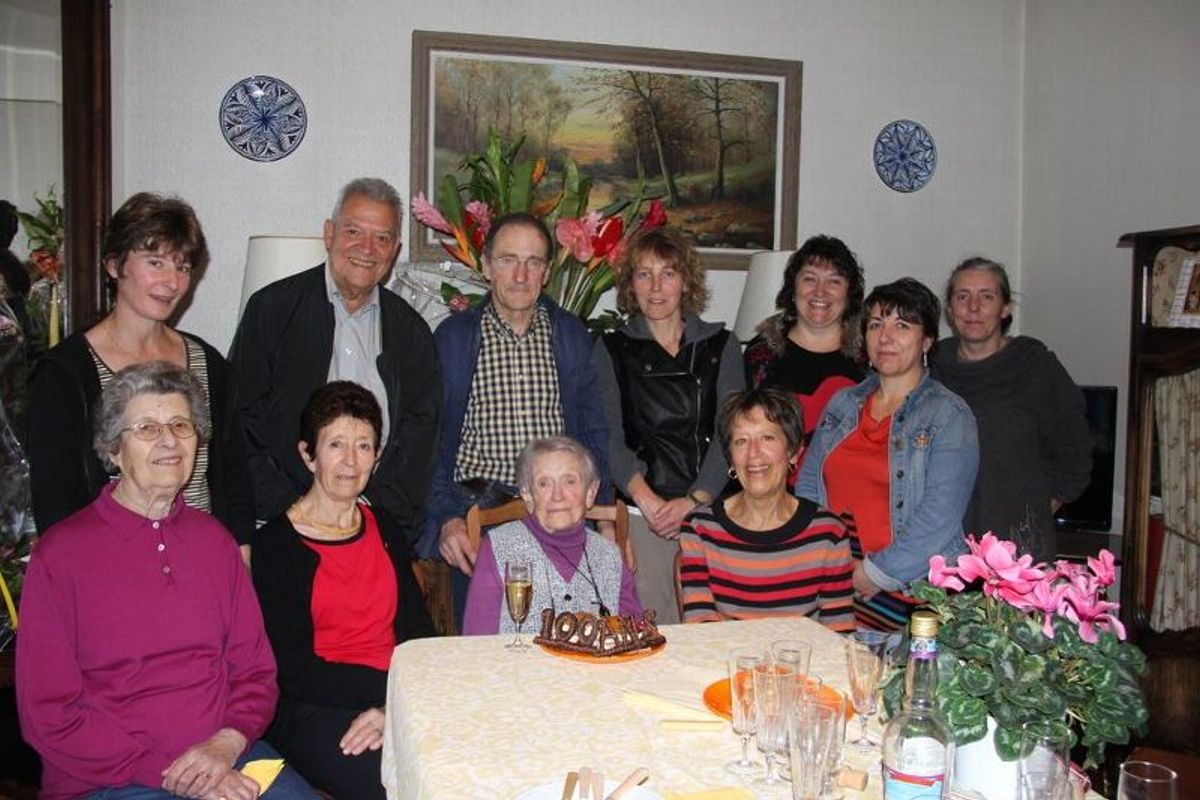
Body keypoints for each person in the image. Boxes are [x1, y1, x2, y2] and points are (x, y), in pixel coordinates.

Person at [16, 362, 317, 800]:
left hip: (228, 755)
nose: (170, 440)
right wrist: (173, 772)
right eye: (147, 428)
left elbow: (255, 672)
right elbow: (49, 714)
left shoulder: (215, 543)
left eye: (181, 424)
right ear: (114, 449)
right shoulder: (60, 556)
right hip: (114, 777)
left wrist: (228, 742)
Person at [26, 193, 254, 555]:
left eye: (182, 266)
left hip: (201, 565)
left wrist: (239, 567)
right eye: (156, 262)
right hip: (111, 574)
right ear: (114, 266)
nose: (172, 282)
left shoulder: (209, 364)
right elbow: (56, 509)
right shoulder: (65, 374)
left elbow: (234, 486)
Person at [230, 177, 440, 542]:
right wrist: (297, 509)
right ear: (329, 234)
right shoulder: (272, 311)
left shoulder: (411, 333)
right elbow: (240, 422)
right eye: (354, 231)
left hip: (375, 531)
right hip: (283, 526)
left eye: (383, 238)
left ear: (395, 249)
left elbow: (420, 438)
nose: (367, 248)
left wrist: (373, 516)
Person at [252, 381, 433, 799]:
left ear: (377, 456)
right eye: (336, 445)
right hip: (317, 707)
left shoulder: (385, 526)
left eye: (364, 446)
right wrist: (394, 692)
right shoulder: (277, 546)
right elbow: (294, 669)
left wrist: (398, 705)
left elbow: (418, 632)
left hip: (395, 695)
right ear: (307, 454)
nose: (351, 461)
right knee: (399, 779)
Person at [425, 212, 610, 619]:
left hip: (560, 518)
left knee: (568, 646)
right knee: (486, 653)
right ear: (488, 265)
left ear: (547, 272)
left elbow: (594, 430)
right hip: (480, 523)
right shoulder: (454, 339)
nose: (521, 275)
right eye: (508, 259)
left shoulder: (570, 334)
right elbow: (431, 442)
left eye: (533, 262)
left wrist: (605, 519)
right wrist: (446, 519)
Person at [798, 278, 978, 630]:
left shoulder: (949, 415)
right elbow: (808, 483)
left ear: (927, 341)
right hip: (834, 586)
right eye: (877, 324)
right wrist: (818, 559)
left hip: (911, 594)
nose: (886, 337)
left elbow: (940, 516)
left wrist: (875, 573)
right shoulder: (843, 404)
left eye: (902, 325)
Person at [594, 227, 744, 625]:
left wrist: (695, 501)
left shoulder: (722, 346)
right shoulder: (611, 348)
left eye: (668, 273)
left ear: (686, 282)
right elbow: (609, 436)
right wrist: (648, 502)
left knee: (715, 638)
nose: (656, 287)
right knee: (652, 635)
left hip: (713, 511)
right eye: (644, 274)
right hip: (646, 517)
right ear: (630, 284)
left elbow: (733, 435)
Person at [932, 257, 1092, 563]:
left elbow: (1075, 447)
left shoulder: (1036, 367)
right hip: (946, 543)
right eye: (963, 297)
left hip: (1017, 547)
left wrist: (1036, 508)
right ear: (950, 310)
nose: (974, 307)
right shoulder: (933, 369)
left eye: (987, 296)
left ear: (1005, 308)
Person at [679, 388, 854, 629]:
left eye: (767, 438)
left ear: (794, 452)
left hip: (805, 665)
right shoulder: (700, 528)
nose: (753, 454)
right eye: (741, 441)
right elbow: (701, 630)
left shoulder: (828, 534)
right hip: (725, 663)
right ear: (730, 459)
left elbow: (840, 635)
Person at [462, 436, 640, 634]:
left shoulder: (610, 556)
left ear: (590, 492)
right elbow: (477, 640)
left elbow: (634, 635)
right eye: (544, 483)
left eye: (570, 481)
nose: (558, 496)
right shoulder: (497, 548)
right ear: (528, 495)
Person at [744, 235, 866, 450]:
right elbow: (741, 431)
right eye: (810, 278)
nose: (820, 291)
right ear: (793, 289)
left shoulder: (868, 358)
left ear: (849, 296)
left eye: (834, 281)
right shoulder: (761, 355)